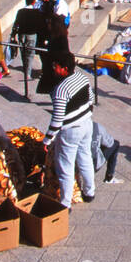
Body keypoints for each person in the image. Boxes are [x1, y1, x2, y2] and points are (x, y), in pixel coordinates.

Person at [41, 51, 95, 208]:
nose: (53, 69)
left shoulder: (60, 90)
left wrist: (47, 140)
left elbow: (57, 120)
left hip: (70, 130)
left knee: (66, 166)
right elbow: (91, 99)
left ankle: (65, 203)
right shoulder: (82, 77)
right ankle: (89, 192)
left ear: (64, 68)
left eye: (55, 66)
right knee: (85, 157)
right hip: (87, 124)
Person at [91, 119, 124, 185]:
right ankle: (109, 177)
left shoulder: (67, 127)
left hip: (71, 164)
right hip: (91, 165)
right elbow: (109, 143)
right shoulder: (96, 126)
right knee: (115, 144)